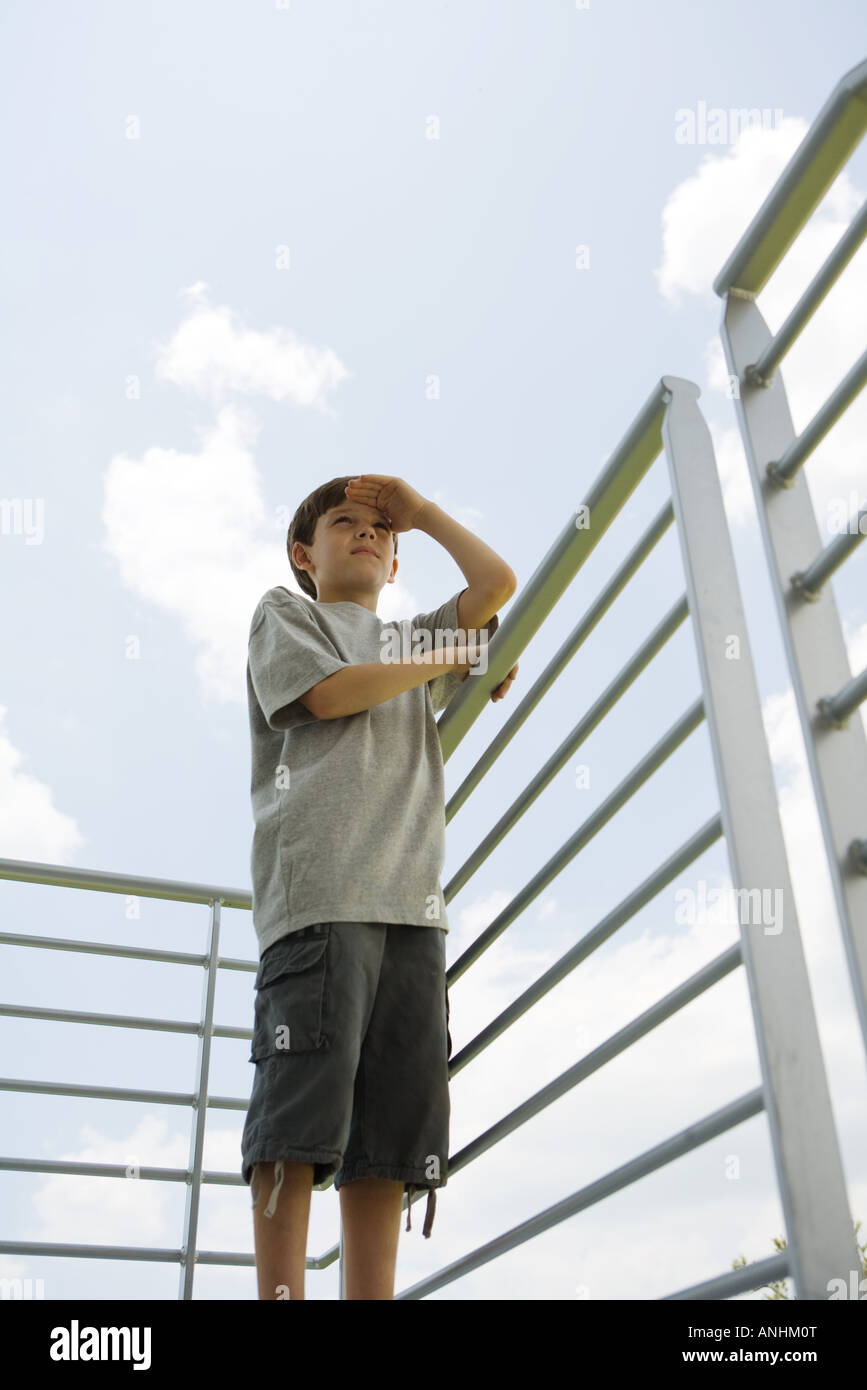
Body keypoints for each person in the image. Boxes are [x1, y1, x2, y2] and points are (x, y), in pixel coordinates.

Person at [240, 473, 518, 1299]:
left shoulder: (410, 644)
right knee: (298, 1119)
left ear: (396, 560)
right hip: (322, 897)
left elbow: (496, 586)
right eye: (343, 522)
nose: (366, 533)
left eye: (380, 529)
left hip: (412, 910)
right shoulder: (286, 614)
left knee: (389, 1139)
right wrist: (451, 660)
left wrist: (424, 511)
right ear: (304, 552)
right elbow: (328, 696)